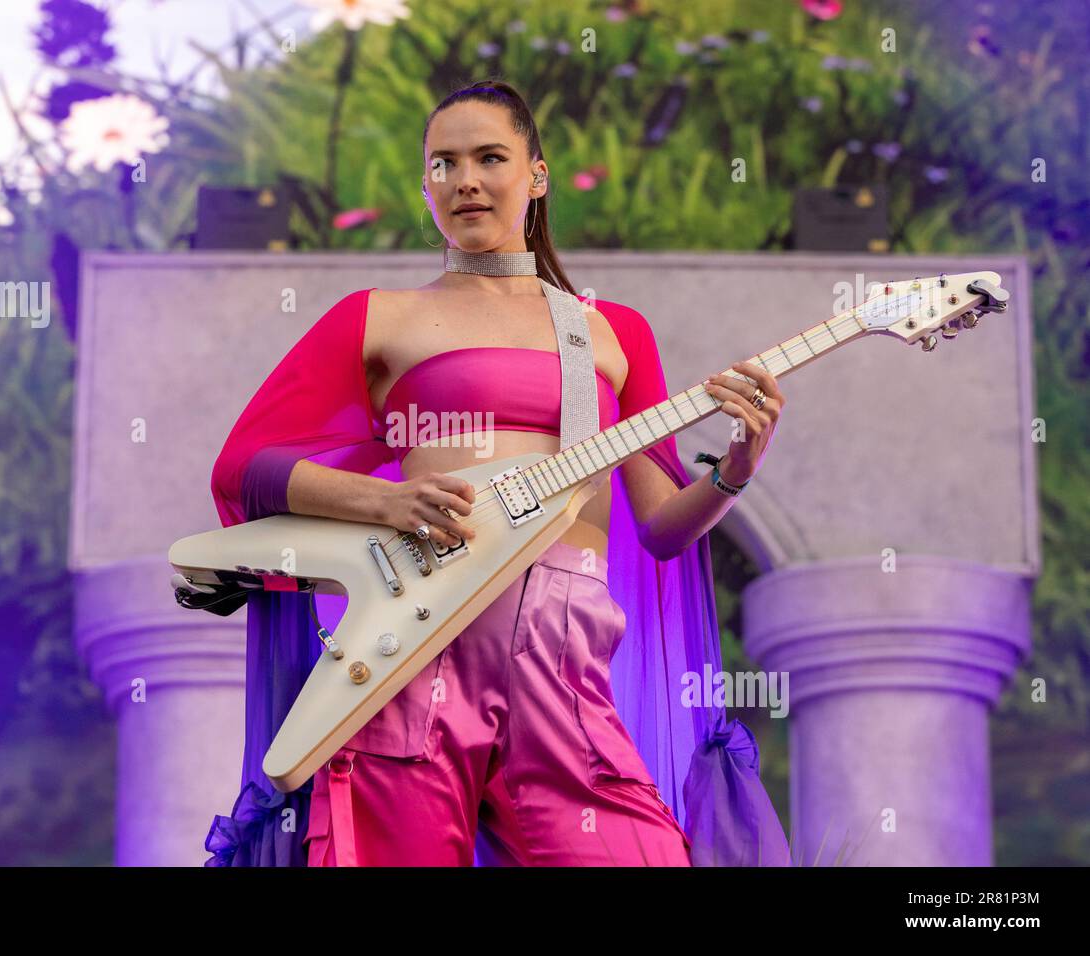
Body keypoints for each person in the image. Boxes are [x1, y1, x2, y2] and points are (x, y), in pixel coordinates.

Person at [205, 79, 792, 867]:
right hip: (412, 652)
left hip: (565, 651)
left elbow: (658, 528)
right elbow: (248, 466)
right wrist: (385, 501)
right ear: (426, 184)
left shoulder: (612, 332)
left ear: (537, 176)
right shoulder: (377, 315)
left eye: (490, 158)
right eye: (443, 164)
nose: (466, 179)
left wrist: (737, 470)